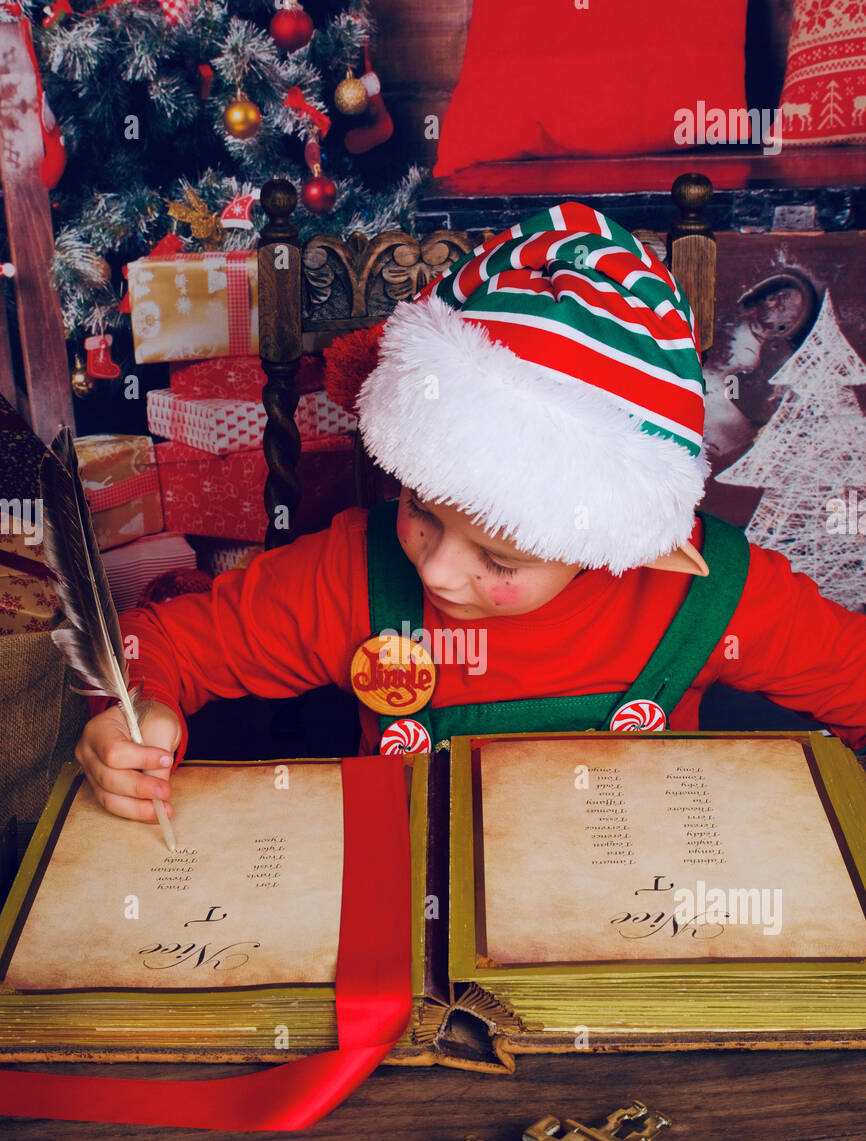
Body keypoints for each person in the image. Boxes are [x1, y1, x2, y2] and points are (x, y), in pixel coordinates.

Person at [75, 202, 866, 826]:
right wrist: (133, 711)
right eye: (423, 509)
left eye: (501, 559)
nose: (438, 568)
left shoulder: (713, 593)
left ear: (608, 540)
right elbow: (162, 643)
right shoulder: (354, 576)